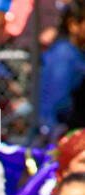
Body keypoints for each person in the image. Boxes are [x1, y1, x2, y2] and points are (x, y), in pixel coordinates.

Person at [38, 0, 85, 135]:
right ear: (73, 24)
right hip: (59, 134)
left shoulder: (77, 53)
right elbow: (56, 102)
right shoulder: (64, 56)